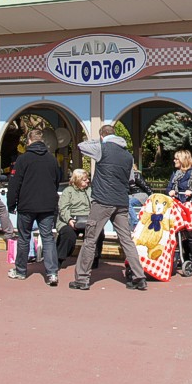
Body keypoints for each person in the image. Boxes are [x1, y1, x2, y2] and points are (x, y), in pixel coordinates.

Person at [69, 124, 147, 291]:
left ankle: (82, 278)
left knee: (90, 239)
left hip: (102, 200)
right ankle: (139, 277)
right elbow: (131, 180)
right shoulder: (128, 156)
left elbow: (81, 146)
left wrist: (100, 141)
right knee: (126, 239)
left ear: (103, 136)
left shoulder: (102, 148)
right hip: (121, 201)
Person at [6, 129, 61, 286]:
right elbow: (57, 179)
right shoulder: (51, 159)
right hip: (47, 204)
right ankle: (52, 273)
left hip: (27, 204)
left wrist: (11, 203)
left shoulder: (23, 159)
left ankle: (20, 270)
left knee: (24, 237)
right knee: (48, 238)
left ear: (29, 141)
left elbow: (14, 183)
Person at [166, 149, 192, 277]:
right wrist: (170, 192)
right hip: (179, 208)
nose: (174, 161)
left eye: (176, 159)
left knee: (191, 234)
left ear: (183, 160)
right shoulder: (175, 174)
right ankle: (183, 259)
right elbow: (169, 187)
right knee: (180, 235)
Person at [55, 169, 105, 267]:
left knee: (98, 233)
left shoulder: (91, 190)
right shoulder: (68, 191)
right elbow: (63, 208)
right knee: (68, 235)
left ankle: (94, 258)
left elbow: (97, 205)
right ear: (77, 180)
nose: (88, 181)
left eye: (87, 179)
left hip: (88, 219)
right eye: (84, 179)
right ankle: (59, 259)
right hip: (70, 219)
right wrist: (69, 220)